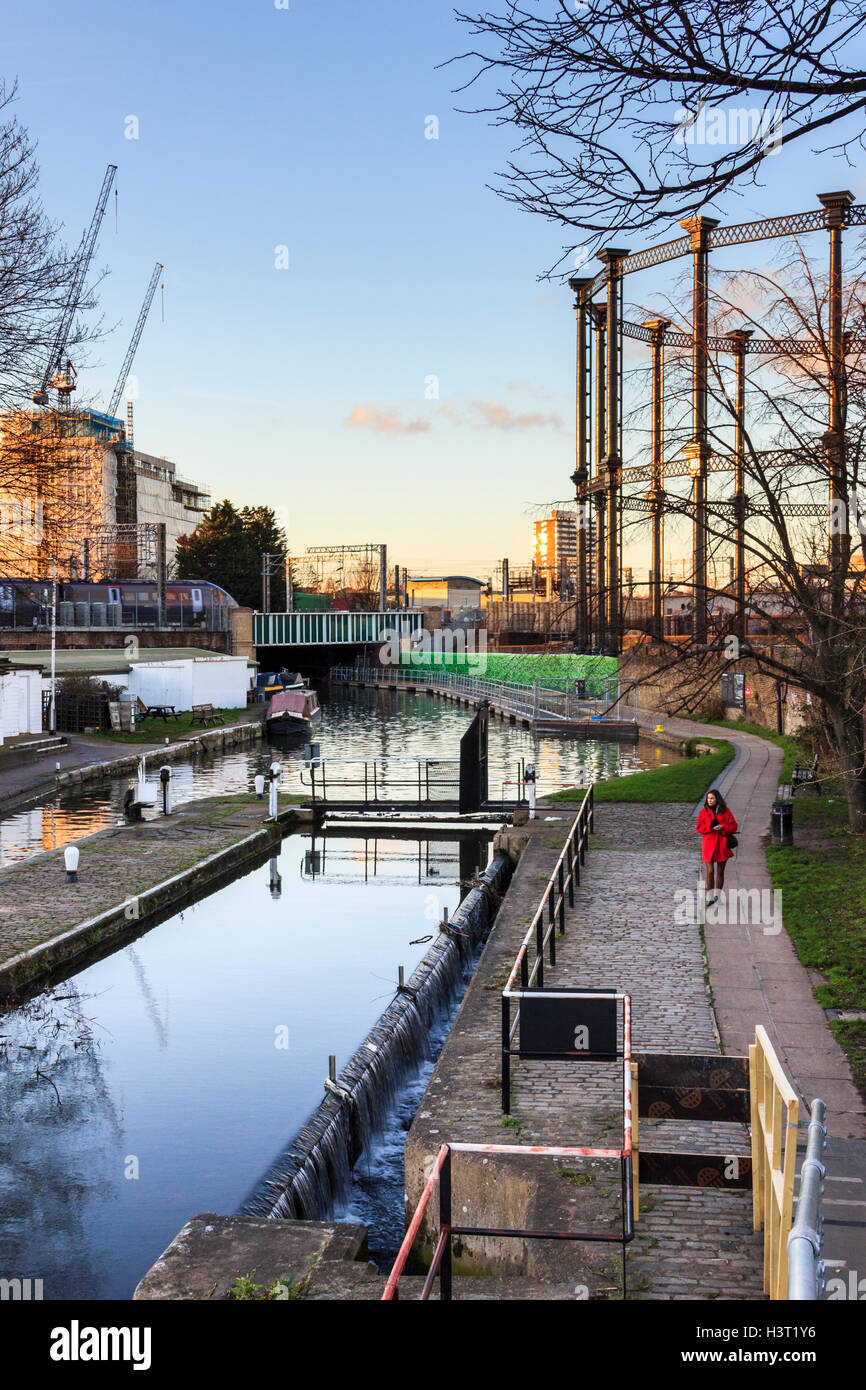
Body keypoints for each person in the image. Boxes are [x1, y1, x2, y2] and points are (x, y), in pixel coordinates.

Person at [696, 789, 738, 906]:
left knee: (720, 871)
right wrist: (710, 828)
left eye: (712, 798)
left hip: (721, 844)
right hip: (709, 844)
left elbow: (734, 826)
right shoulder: (703, 812)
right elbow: (699, 827)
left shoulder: (725, 811)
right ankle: (710, 897)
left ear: (717, 799)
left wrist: (723, 827)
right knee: (710, 871)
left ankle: (717, 896)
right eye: (708, 798)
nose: (709, 800)